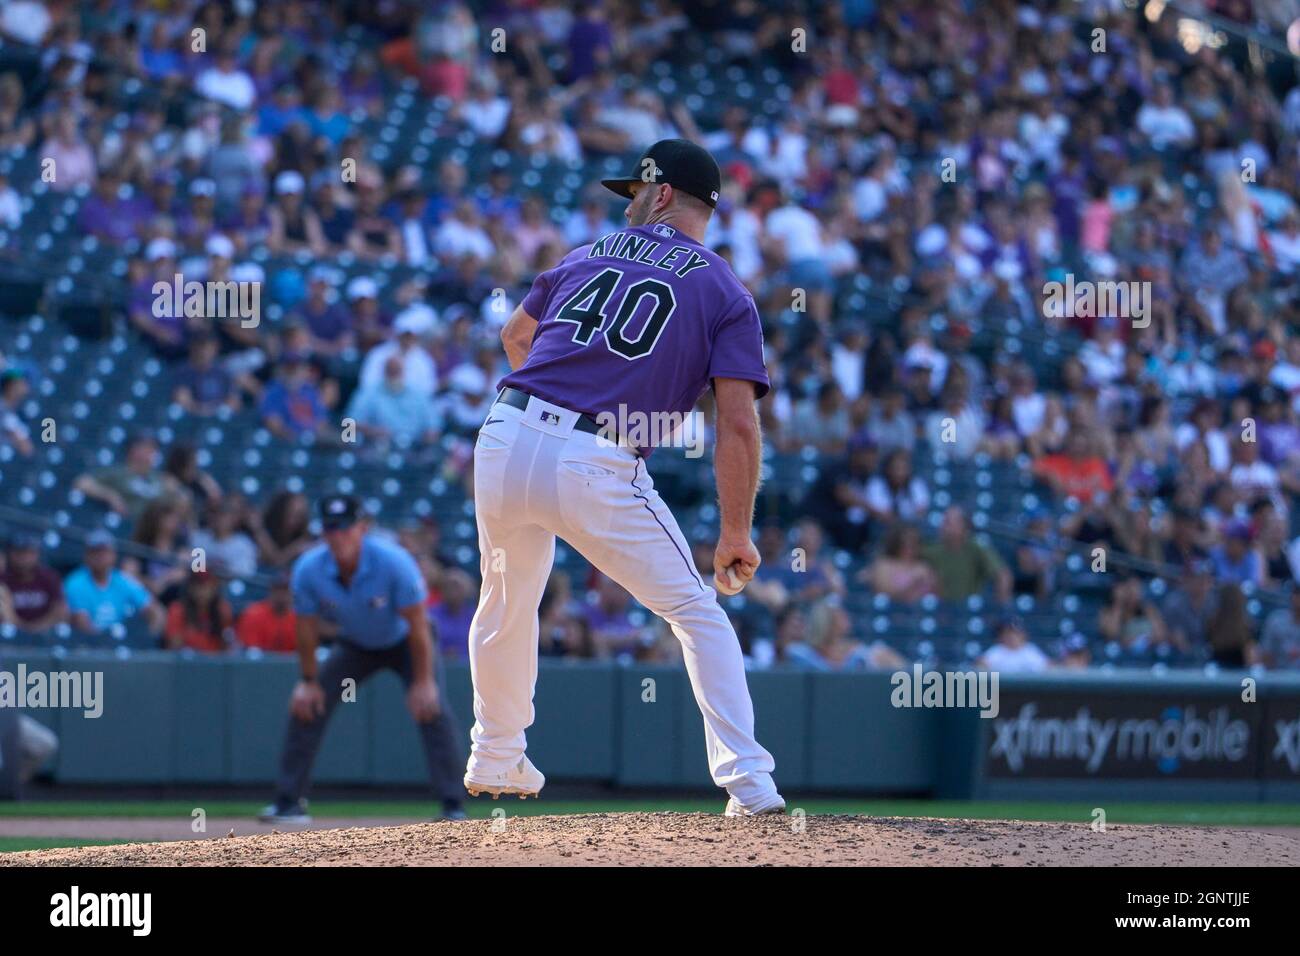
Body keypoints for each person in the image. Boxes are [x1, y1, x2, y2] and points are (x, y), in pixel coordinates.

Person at [467, 139, 784, 816]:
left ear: (662, 193)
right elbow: (737, 423)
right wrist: (735, 531)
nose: (628, 201)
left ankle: (497, 751)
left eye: (634, 190)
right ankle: (750, 786)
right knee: (698, 612)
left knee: (505, 598)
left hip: (505, 431)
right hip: (596, 455)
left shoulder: (586, 254)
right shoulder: (724, 288)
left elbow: (516, 339)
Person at [259, 496, 464, 823]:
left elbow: (419, 626)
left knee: (431, 709)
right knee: (308, 706)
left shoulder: (393, 561)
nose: (337, 535)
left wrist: (424, 682)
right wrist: (308, 681)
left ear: (362, 528)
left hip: (406, 642)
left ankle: (453, 806)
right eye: (330, 528)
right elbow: (306, 629)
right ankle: (288, 803)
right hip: (355, 644)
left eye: (344, 528)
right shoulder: (309, 568)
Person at [63, 531, 163, 635]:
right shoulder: (75, 583)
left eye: (104, 551)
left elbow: (155, 611)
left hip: (122, 642)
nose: (100, 556)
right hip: (88, 645)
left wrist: (147, 639)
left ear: (113, 555)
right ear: (86, 556)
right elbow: (83, 625)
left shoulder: (123, 580)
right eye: (95, 552)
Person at [1, 533, 67, 633]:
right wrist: (23, 628)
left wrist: (36, 629)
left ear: (37, 554)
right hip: (10, 637)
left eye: (29, 553)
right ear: (10, 554)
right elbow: (4, 616)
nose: (24, 558)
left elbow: (60, 610)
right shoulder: (3, 579)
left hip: (46, 634)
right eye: (20, 553)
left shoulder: (49, 577)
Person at [164, 570, 235, 653]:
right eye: (197, 586)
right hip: (187, 663)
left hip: (214, 662)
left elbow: (229, 648)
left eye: (206, 586)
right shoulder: (178, 610)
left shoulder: (222, 609)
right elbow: (174, 647)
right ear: (190, 588)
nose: (201, 591)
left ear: (214, 587)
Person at [236, 575, 297, 652]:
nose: (281, 595)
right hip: (260, 663)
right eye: (277, 590)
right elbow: (252, 650)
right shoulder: (254, 614)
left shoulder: (299, 618)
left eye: (285, 591)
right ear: (271, 592)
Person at [977, 616, 1050, 673]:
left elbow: (1047, 668)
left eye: (1016, 633)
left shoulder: (1030, 650)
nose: (1012, 636)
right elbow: (981, 665)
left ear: (1023, 635)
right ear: (1002, 636)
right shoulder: (998, 650)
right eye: (1008, 633)